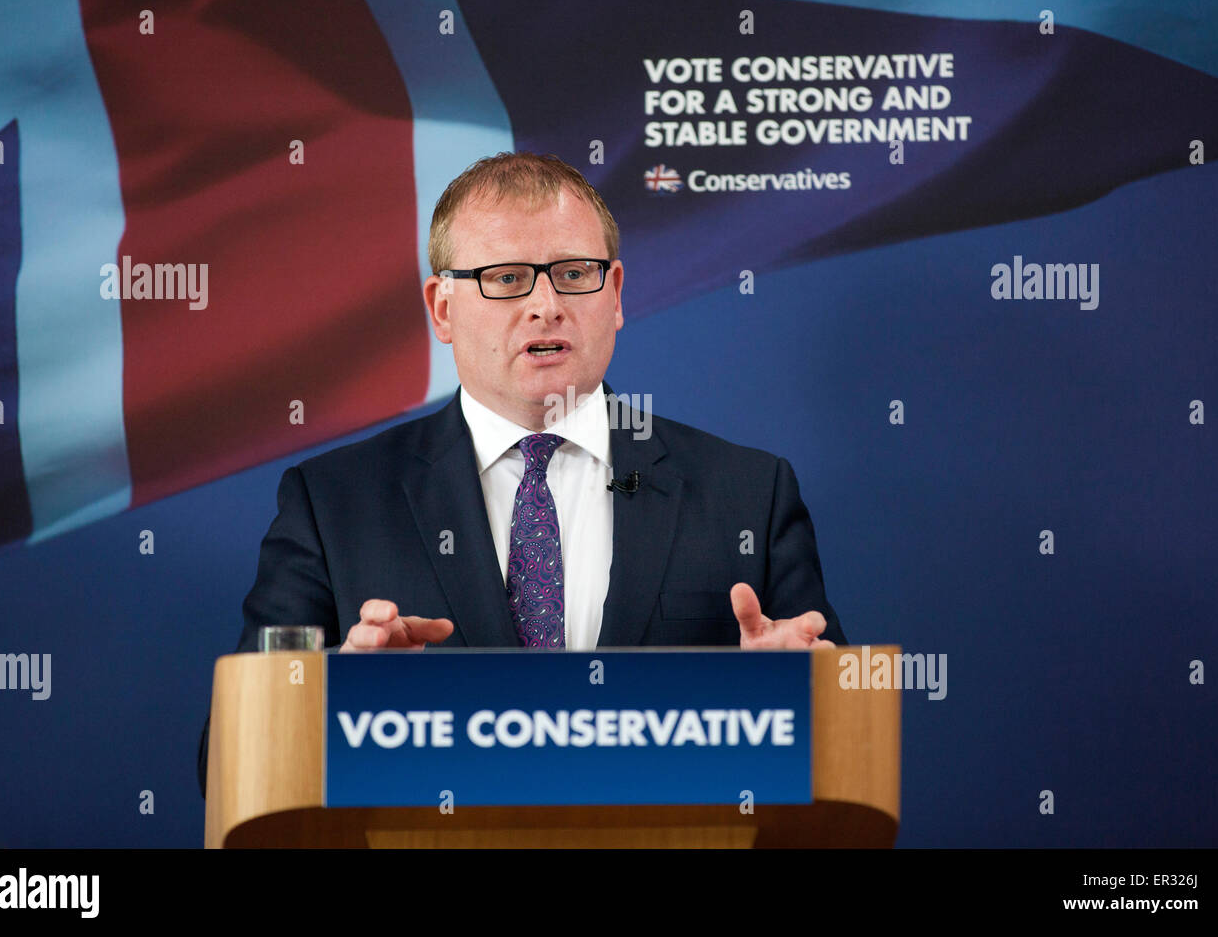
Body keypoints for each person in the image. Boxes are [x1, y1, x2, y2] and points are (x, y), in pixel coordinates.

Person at [199, 152, 845, 794]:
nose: (546, 304)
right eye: (507, 278)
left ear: (615, 294)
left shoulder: (747, 497)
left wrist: (801, 703)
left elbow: (845, 744)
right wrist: (335, 700)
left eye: (572, 273)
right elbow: (225, 765)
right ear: (442, 309)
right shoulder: (333, 504)